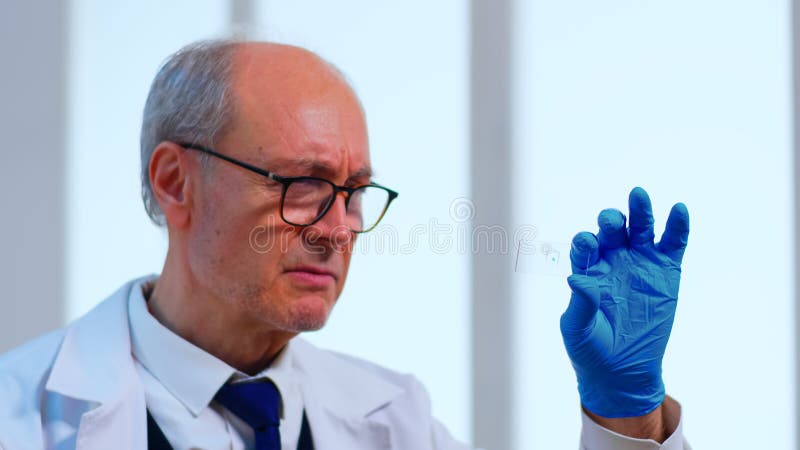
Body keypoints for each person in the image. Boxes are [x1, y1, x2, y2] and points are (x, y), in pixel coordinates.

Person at [0, 39, 691, 450]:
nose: (337, 228)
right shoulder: (21, 414)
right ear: (177, 182)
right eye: (304, 183)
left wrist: (623, 413)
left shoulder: (393, 421)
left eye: (356, 190)